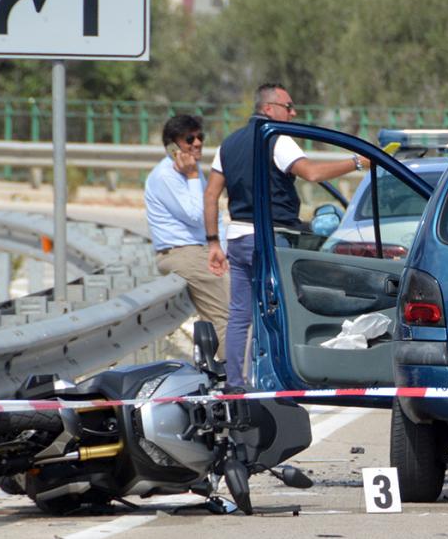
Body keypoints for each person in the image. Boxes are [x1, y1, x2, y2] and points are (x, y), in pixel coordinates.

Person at [204, 83, 369, 386]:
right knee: (276, 310)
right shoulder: (278, 139)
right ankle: (274, 379)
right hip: (270, 238)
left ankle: (236, 383)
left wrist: (213, 241)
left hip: (237, 238)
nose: (293, 113)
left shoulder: (227, 144)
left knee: (240, 315)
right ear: (269, 109)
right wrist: (358, 161)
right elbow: (313, 174)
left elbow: (211, 194)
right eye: (288, 106)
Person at [144, 114, 230, 352]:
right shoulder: (166, 176)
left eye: (200, 137)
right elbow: (196, 215)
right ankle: (234, 377)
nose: (197, 143)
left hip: (201, 249)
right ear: (173, 147)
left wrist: (223, 250)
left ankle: (216, 368)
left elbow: (215, 217)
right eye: (189, 139)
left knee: (236, 306)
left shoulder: (194, 172)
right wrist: (192, 176)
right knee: (226, 313)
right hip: (182, 252)